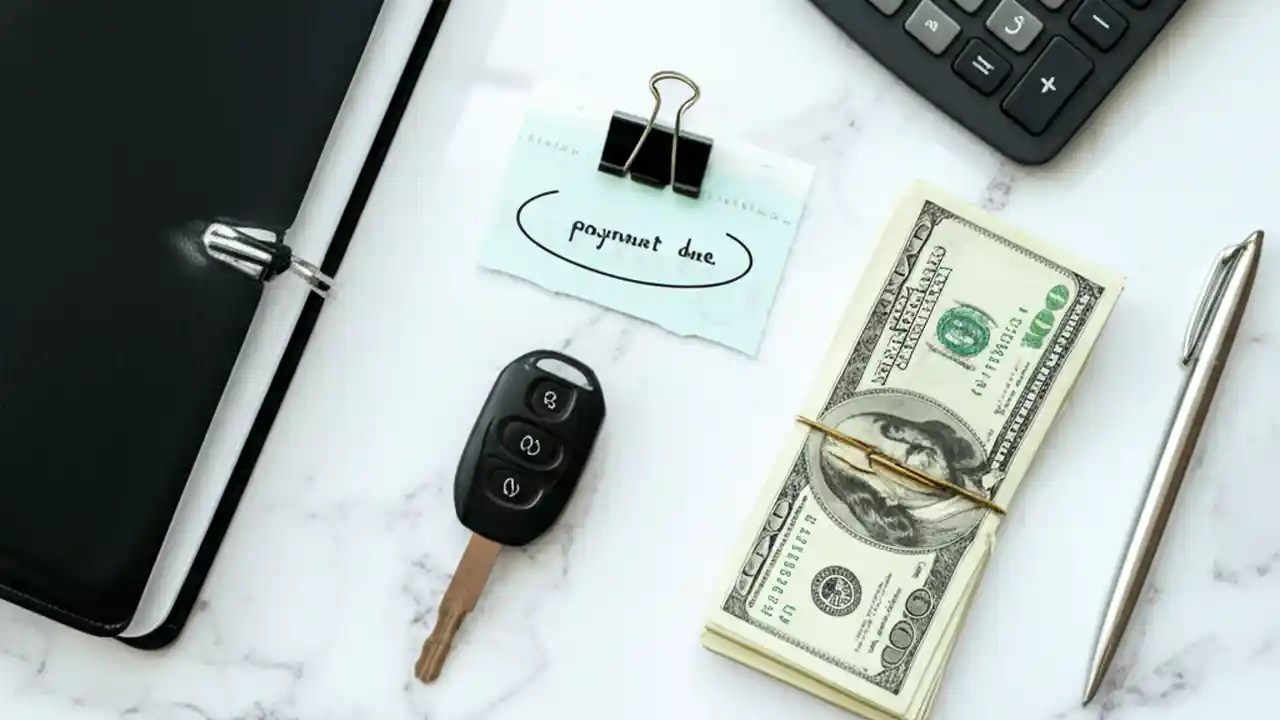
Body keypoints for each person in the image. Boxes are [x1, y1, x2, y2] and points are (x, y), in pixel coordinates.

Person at [816, 410, 989, 550]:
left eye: (892, 430)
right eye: (877, 457)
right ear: (879, 494)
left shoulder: (983, 464)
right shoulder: (947, 537)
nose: (903, 446)